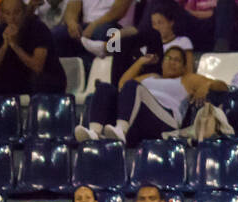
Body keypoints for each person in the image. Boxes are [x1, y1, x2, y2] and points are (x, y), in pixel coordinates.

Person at [74, 47, 226, 146]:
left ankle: (121, 131)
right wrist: (140, 62)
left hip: (165, 121)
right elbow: (122, 85)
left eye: (177, 60)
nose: (172, 62)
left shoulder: (187, 79)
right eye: (168, 58)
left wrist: (206, 86)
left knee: (134, 87)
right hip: (139, 118)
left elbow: (223, 85)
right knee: (105, 88)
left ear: (183, 66)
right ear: (162, 63)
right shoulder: (150, 77)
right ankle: (93, 134)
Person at [0, 0, 68, 96]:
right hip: (18, 78)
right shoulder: (0, 31)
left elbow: (37, 67)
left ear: (24, 11)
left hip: (47, 79)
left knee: (36, 81)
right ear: (2, 15)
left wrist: (14, 45)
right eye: (7, 13)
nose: (12, 18)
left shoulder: (38, 29)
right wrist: (5, 46)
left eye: (16, 12)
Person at [106, 6, 194, 79]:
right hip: (143, 72)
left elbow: (189, 70)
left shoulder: (183, 41)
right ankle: (115, 87)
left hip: (161, 75)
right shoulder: (149, 44)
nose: (156, 26)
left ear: (171, 22)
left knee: (153, 34)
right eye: (154, 23)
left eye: (160, 23)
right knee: (123, 43)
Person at [54, 0, 135, 60]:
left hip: (118, 29)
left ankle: (90, 74)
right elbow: (71, 8)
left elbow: (118, 12)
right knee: (56, 34)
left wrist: (94, 25)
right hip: (86, 27)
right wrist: (72, 23)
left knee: (99, 33)